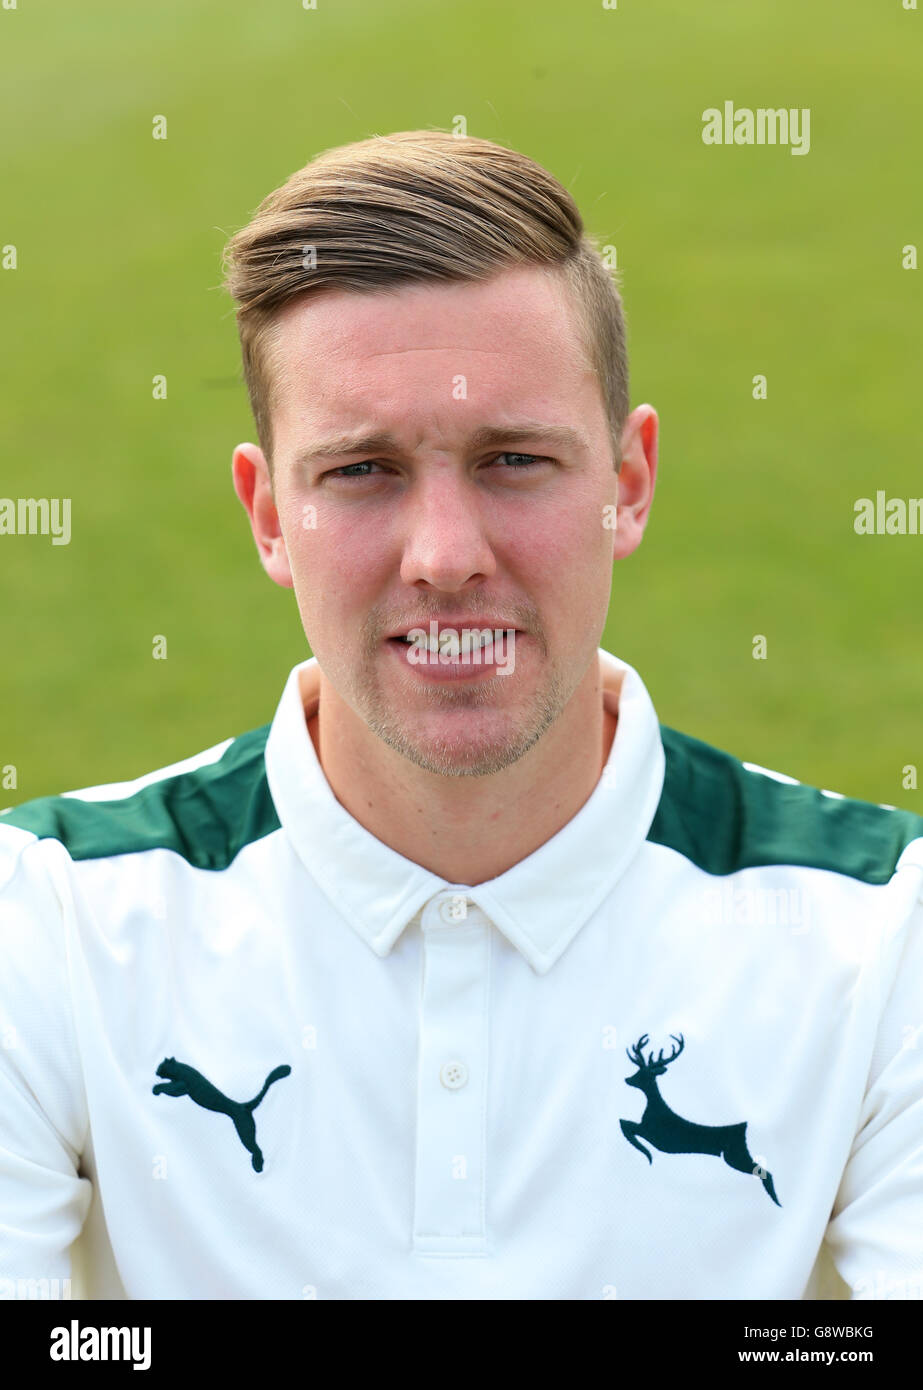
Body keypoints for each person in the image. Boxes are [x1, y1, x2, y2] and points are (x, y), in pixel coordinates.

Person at [1, 130, 921, 1301]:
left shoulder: (882, 927)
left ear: (626, 486)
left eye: (513, 460)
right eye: (362, 471)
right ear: (268, 513)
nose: (444, 557)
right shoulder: (44, 917)